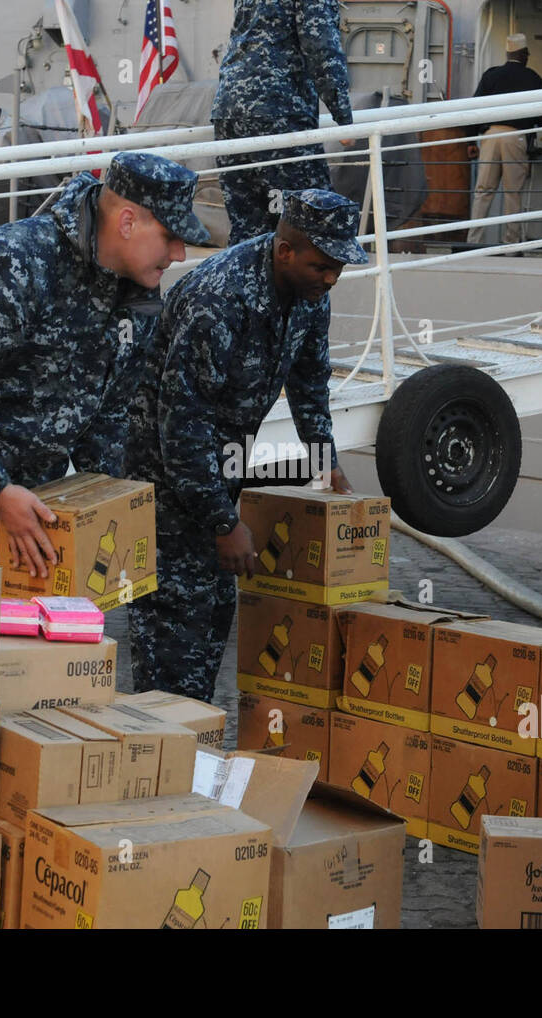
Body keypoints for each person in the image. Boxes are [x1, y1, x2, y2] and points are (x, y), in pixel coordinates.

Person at [0, 151, 209, 569]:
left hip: (24, 491)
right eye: (171, 236)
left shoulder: (137, 297)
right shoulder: (18, 263)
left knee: (18, 628)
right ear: (127, 222)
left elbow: (109, 412)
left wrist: (110, 502)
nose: (179, 255)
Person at [126, 189, 368, 699]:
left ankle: (190, 741)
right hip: (166, 485)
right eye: (323, 266)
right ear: (286, 252)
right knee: (174, 632)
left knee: (213, 615)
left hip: (218, 473)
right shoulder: (218, 299)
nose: (331, 279)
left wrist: (327, 466)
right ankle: (160, 751)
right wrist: (223, 522)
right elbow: (180, 423)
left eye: (339, 269)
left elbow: (309, 384)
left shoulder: (308, 297)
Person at [211, 0, 355, 244]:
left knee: (248, 232)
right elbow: (320, 46)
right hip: (279, 110)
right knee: (313, 222)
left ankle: (249, 282)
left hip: (230, 112)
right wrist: (343, 116)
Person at [466, 33, 542, 247]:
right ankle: (511, 244)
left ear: (508, 53)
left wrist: (470, 140)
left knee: (483, 191)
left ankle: (474, 240)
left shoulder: (491, 75)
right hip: (515, 137)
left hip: (490, 135)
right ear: (524, 54)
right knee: (513, 192)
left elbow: (475, 108)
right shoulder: (533, 78)